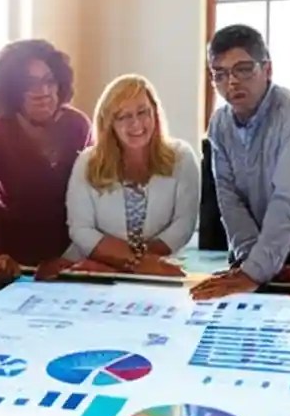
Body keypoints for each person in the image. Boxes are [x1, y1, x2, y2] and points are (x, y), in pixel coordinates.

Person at [190, 25, 290, 301]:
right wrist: (252, 263)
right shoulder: (219, 124)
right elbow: (229, 199)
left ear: (267, 70)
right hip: (249, 254)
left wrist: (255, 272)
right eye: (220, 74)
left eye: (243, 69)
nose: (231, 82)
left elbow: (289, 202)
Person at [0, 39, 93, 280]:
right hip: (14, 261)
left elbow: (93, 199)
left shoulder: (78, 125)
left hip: (70, 256)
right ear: (13, 91)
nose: (43, 92)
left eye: (48, 81)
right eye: (30, 84)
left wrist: (75, 256)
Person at [65, 74, 199, 277]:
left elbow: (183, 225)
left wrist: (135, 265)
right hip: (94, 268)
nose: (136, 124)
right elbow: (81, 229)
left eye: (142, 112)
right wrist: (130, 265)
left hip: (158, 267)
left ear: (154, 112)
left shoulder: (182, 157)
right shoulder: (87, 162)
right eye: (123, 116)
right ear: (109, 123)